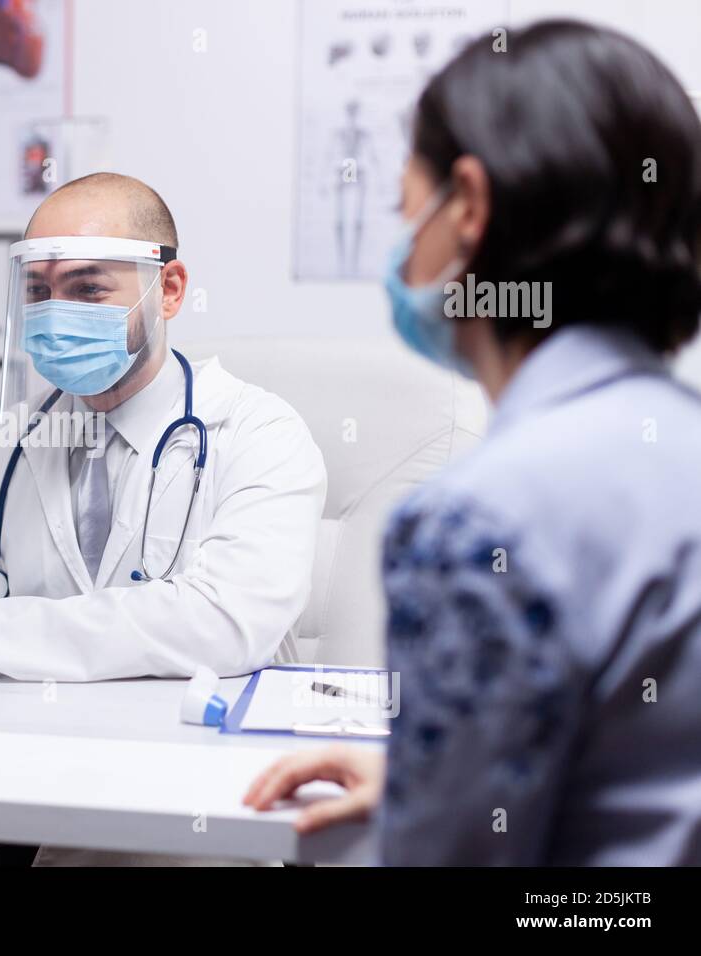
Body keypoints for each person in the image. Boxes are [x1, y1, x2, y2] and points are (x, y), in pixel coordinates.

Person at [244, 20, 701, 865]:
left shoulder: (481, 517)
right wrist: (434, 772)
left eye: (405, 210)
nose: (401, 244)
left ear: (471, 206)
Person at [0, 172, 326, 865]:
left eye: (88, 288)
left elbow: (222, 624)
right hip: (21, 766)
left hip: (186, 788)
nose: (54, 312)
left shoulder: (259, 434)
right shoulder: (7, 441)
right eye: (38, 291)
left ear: (169, 289)